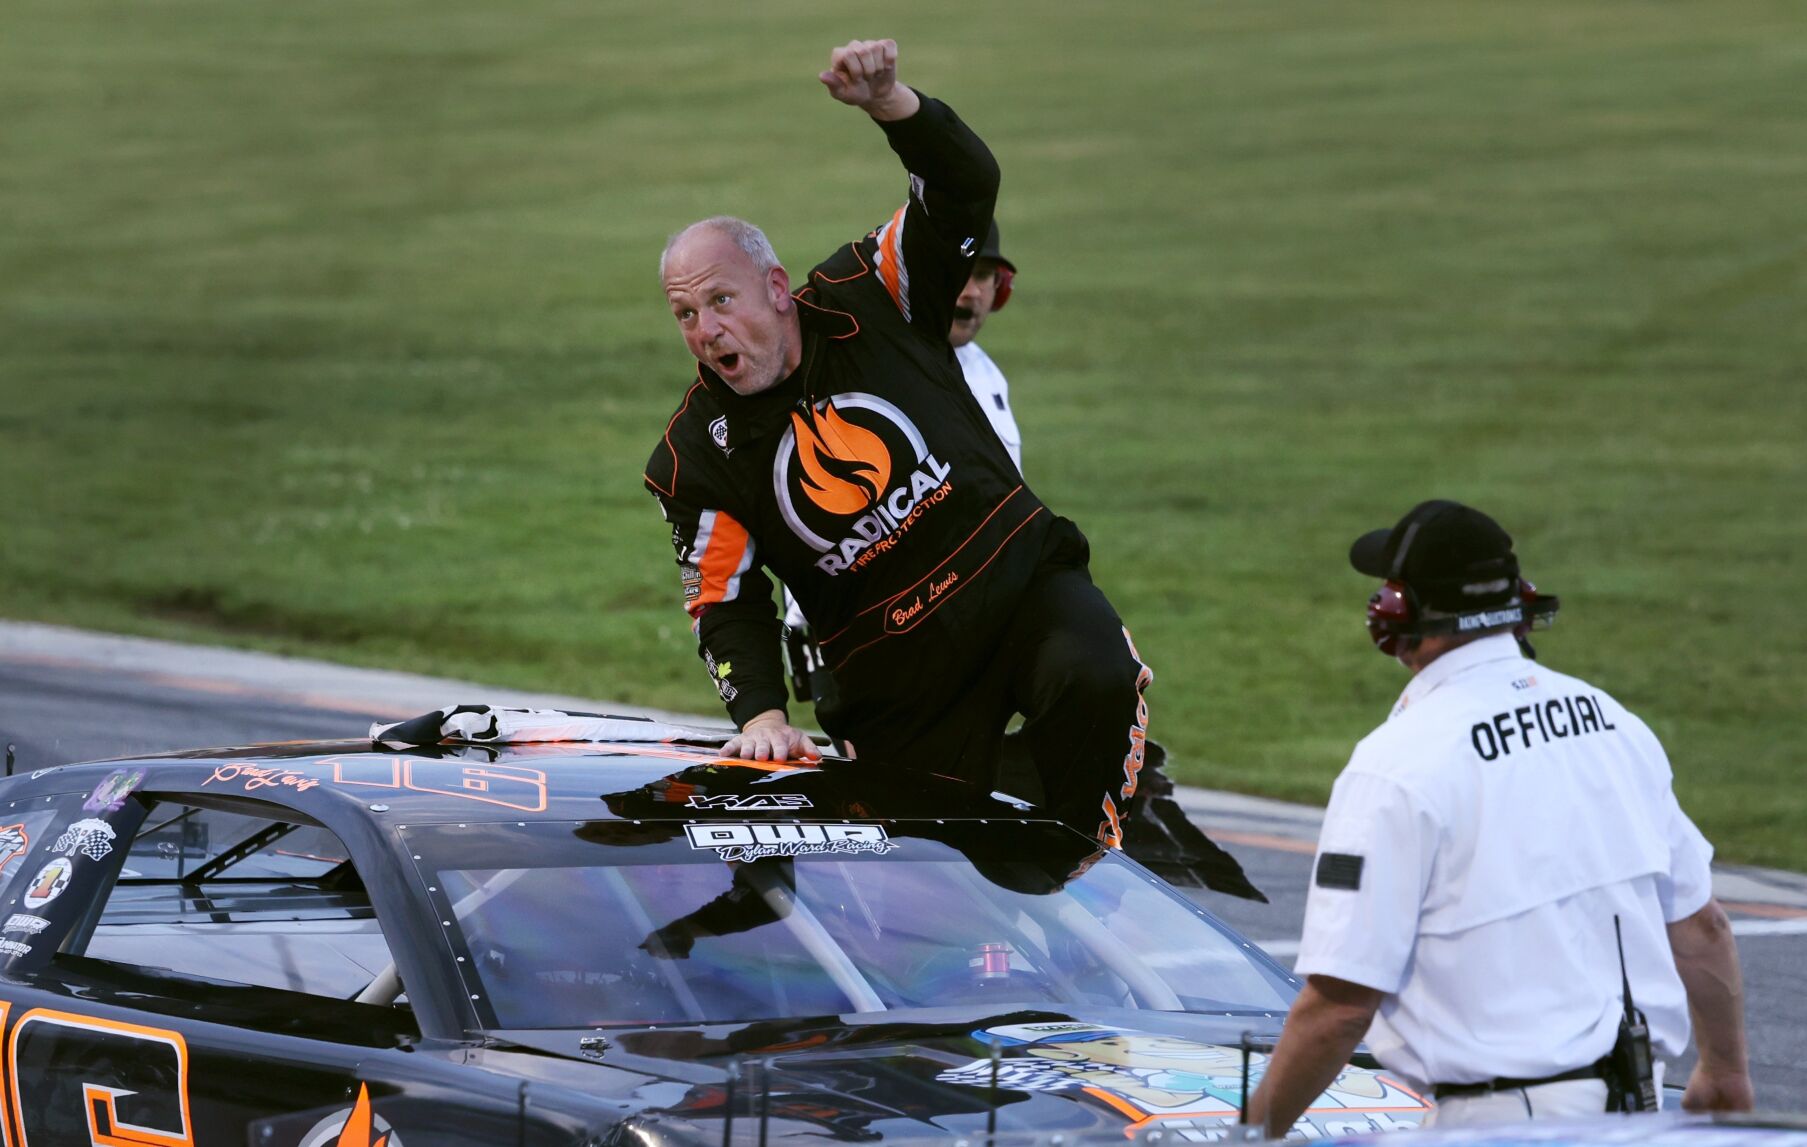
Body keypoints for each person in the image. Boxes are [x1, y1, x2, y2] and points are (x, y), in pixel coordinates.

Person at [644, 39, 1151, 848]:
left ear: (776, 289)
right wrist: (764, 715)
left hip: (1015, 587)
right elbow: (725, 600)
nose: (706, 331)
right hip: (895, 675)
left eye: (720, 301)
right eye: (685, 315)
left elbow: (965, 187)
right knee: (926, 872)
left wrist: (891, 105)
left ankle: (1079, 872)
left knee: (1094, 680)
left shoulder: (870, 292)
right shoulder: (693, 454)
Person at [1244, 499, 1752, 1134]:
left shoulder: (1394, 766)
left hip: (1501, 1123)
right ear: (1521, 601)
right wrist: (1726, 1071)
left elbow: (1340, 1006)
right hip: (1638, 1115)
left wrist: (1251, 1133)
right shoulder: (1614, 723)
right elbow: (1703, 926)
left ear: (1395, 616)